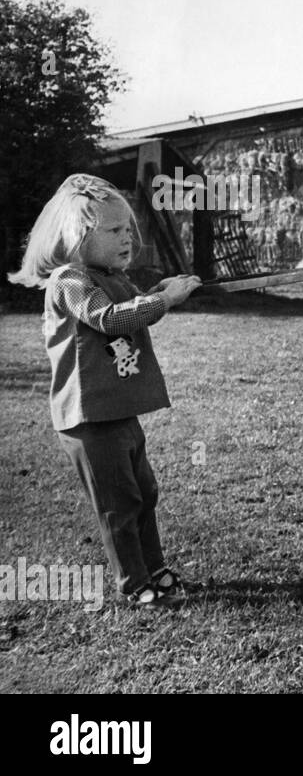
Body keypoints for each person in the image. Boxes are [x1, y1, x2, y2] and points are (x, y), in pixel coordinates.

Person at [8, 174, 202, 610]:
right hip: (88, 418)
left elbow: (133, 310)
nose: (127, 238)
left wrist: (163, 293)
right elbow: (111, 319)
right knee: (119, 503)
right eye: (114, 231)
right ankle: (134, 583)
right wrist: (164, 301)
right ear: (75, 237)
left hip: (117, 409)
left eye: (128, 229)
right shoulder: (69, 280)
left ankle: (154, 569)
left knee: (144, 493)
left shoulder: (109, 276)